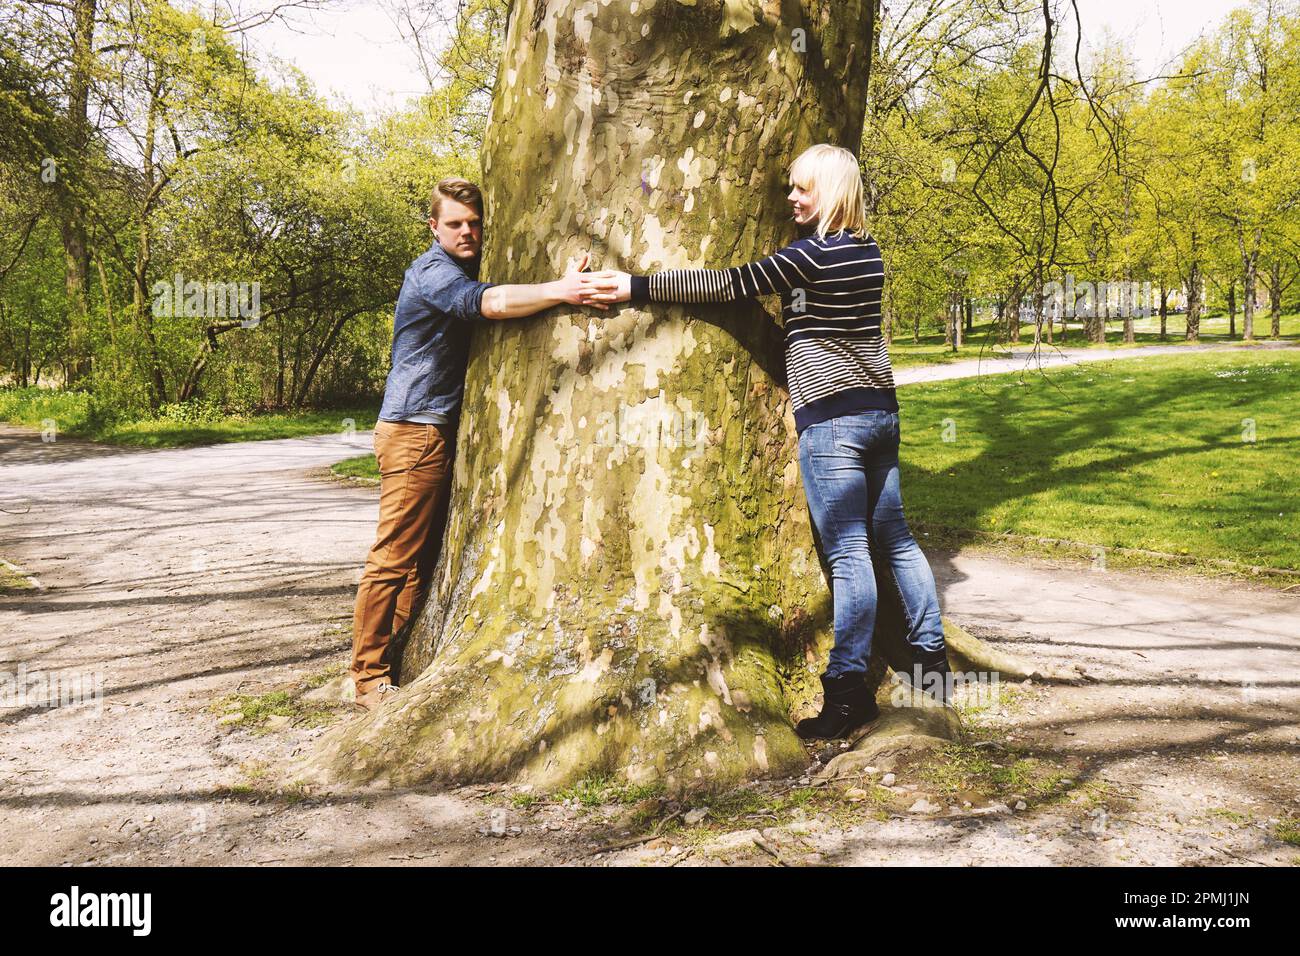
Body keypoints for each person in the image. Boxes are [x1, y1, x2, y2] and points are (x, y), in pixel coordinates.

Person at [579, 144, 951, 739]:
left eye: (803, 189)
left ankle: (849, 690)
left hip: (831, 421)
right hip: (881, 413)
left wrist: (634, 286)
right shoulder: (869, 255)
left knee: (850, 555)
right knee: (897, 541)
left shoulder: (810, 258)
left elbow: (729, 284)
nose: (791, 198)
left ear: (830, 192)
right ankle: (932, 666)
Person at [351, 176, 602, 712]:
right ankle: (367, 677)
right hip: (413, 431)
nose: (467, 232)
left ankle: (392, 659)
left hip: (431, 431)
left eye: (474, 223)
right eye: (455, 224)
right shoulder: (433, 273)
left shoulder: (462, 264)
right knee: (393, 557)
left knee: (420, 560)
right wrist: (562, 290)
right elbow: (483, 304)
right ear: (433, 228)